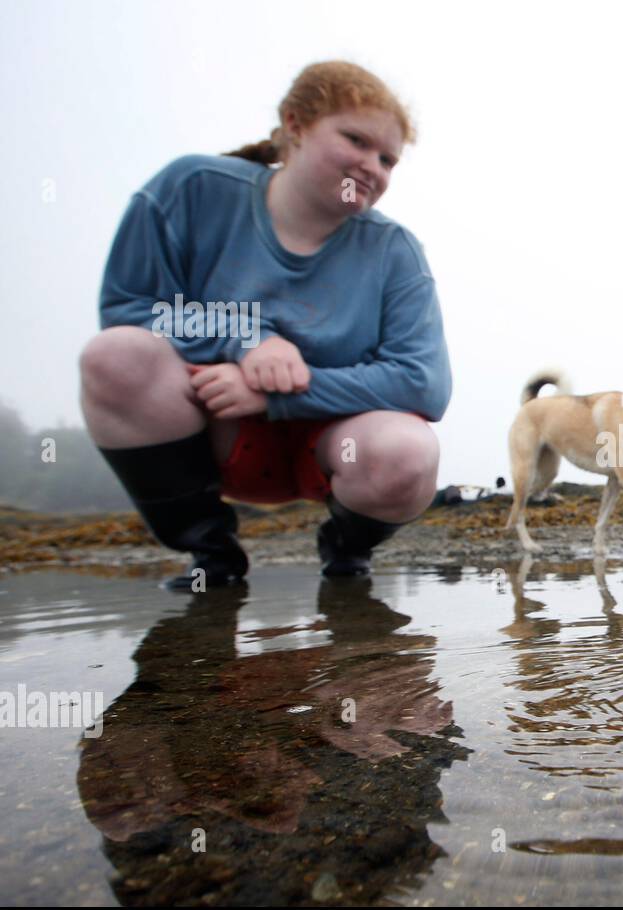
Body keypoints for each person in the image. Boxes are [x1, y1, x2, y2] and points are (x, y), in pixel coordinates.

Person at [81, 61, 451, 590]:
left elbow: (424, 382)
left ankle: (347, 552)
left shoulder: (395, 252)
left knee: (410, 451)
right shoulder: (190, 188)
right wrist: (245, 339)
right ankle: (211, 554)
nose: (373, 166)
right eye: (356, 140)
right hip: (213, 428)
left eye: (388, 159)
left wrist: (278, 397)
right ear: (295, 125)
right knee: (113, 355)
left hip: (334, 446)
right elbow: (128, 307)